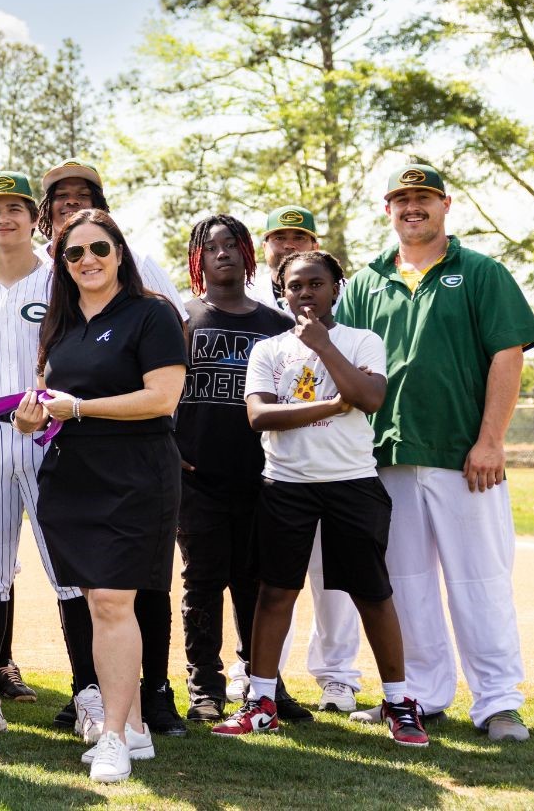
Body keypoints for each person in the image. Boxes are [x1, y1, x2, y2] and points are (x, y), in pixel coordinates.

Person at [335, 163, 534, 743]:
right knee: (406, 583)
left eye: (423, 198)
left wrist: (491, 440)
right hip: (385, 457)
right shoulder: (366, 282)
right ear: (387, 209)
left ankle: (499, 702)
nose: (412, 208)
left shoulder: (479, 272)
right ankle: (421, 697)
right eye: (402, 200)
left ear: (445, 204)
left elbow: (508, 354)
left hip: (463, 455)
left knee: (480, 582)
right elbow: (346, 364)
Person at [211, 250, 429, 748]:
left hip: (352, 482)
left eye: (315, 284)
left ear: (337, 288)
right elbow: (260, 417)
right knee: (275, 592)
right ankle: (261, 701)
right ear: (280, 292)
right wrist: (332, 404)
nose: (305, 294)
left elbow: (371, 399)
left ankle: (398, 701)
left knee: (371, 594)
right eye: (294, 286)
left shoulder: (362, 340)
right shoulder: (268, 350)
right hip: (284, 485)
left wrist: (325, 347)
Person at [13, 208, 187, 783]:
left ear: (120, 253)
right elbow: (46, 397)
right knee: (99, 604)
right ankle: (133, 726)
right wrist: (30, 418)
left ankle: (112, 735)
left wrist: (80, 408)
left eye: (98, 249)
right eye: (73, 253)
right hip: (72, 476)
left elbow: (162, 398)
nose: (87, 260)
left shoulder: (152, 314)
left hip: (135, 474)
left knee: (113, 602)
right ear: (61, 264)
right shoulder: (60, 323)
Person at [0, 171, 88, 742]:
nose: (3, 220)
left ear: (35, 219)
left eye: (15, 209)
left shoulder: (62, 280)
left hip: (53, 442)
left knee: (68, 569)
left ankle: (89, 693)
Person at [171, 215, 297, 724]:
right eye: (210, 246)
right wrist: (169, 446)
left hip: (262, 475)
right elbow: (161, 390)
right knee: (202, 581)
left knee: (257, 583)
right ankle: (205, 687)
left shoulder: (276, 324)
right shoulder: (183, 316)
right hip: (197, 475)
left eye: (231, 245)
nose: (221, 253)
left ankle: (264, 683)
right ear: (197, 259)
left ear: (248, 255)